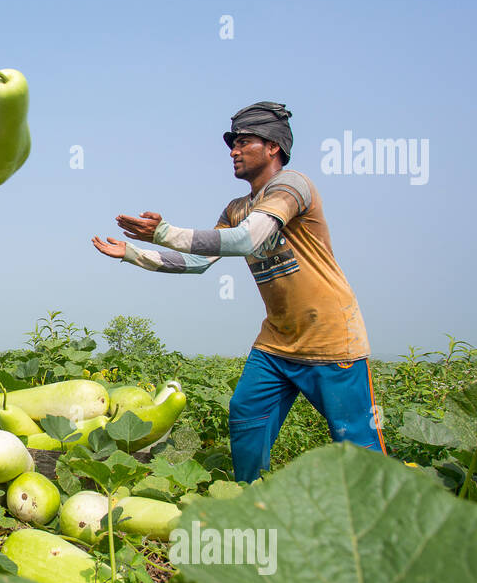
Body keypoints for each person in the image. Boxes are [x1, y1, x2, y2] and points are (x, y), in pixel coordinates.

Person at [91, 101, 385, 481]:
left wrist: (165, 232)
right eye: (232, 143)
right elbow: (200, 261)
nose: (233, 151)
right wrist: (133, 253)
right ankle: (251, 500)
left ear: (273, 146)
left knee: (356, 442)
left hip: (330, 337)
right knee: (246, 417)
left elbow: (247, 239)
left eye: (243, 142)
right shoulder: (236, 208)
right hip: (277, 342)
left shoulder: (292, 186)